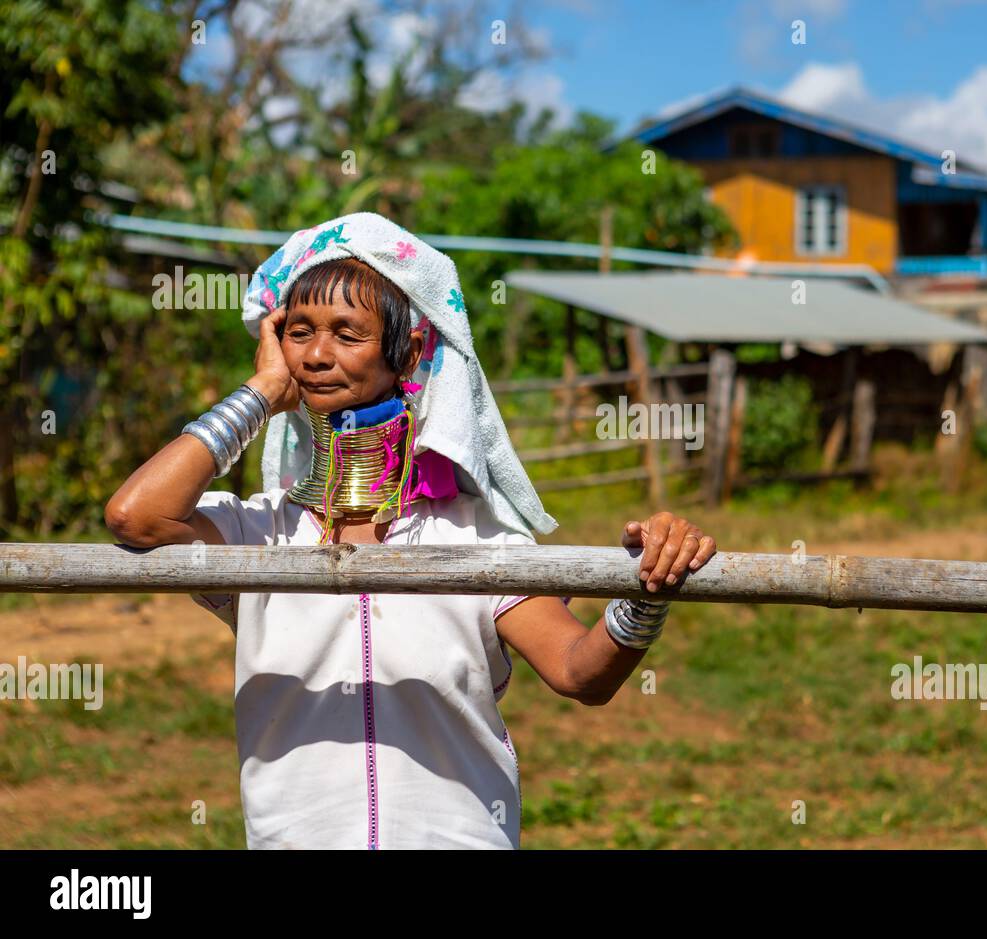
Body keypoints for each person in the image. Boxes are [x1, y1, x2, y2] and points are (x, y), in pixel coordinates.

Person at [104, 213, 717, 849]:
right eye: (298, 332)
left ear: (406, 354)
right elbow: (136, 516)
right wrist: (261, 390)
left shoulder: (475, 540)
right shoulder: (260, 535)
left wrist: (650, 585)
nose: (316, 355)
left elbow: (580, 674)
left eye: (348, 333)